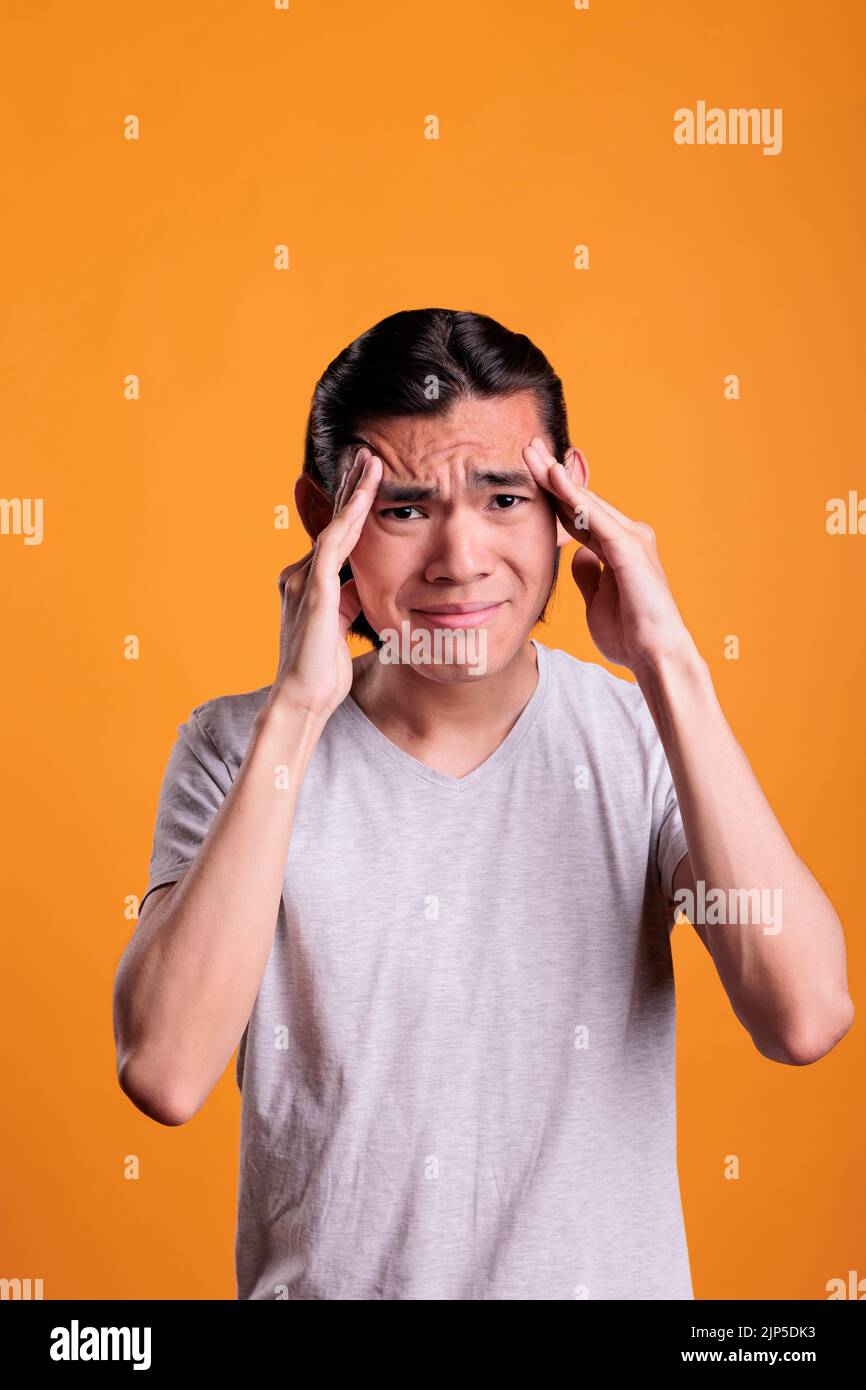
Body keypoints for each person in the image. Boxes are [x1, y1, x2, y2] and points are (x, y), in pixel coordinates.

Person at [113, 308, 854, 1301]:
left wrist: (668, 661)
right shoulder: (241, 749)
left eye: (505, 498)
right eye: (404, 509)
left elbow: (802, 1013)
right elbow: (163, 1070)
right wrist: (296, 708)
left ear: (569, 504)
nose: (460, 558)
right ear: (320, 517)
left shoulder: (643, 741)